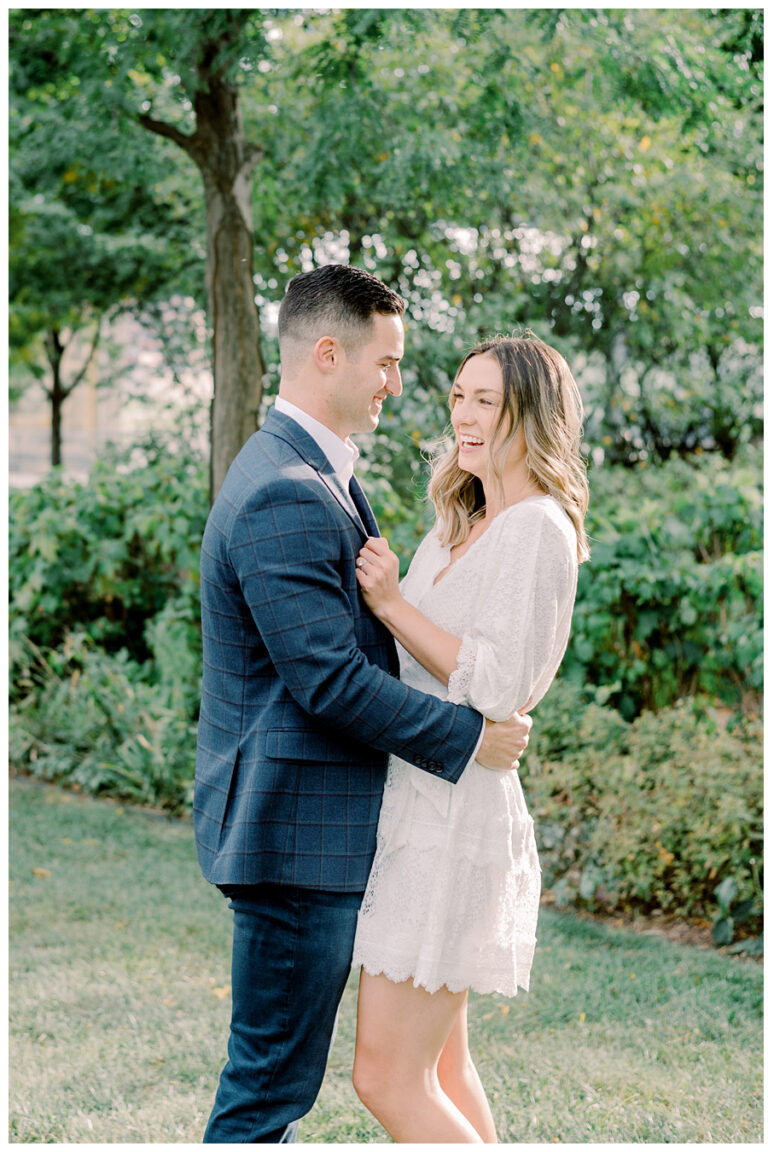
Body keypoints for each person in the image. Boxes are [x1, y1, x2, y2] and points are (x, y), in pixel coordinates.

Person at [194, 264, 533, 1143]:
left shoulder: (319, 474)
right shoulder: (284, 490)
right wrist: (471, 738)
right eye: (385, 363)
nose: (395, 384)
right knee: (267, 1089)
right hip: (294, 839)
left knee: (296, 1079)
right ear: (330, 353)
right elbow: (328, 682)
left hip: (321, 835)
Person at [349, 335, 587, 1141]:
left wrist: (391, 606)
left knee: (385, 1075)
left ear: (531, 414)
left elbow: (495, 686)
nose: (465, 414)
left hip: (453, 821)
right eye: (459, 395)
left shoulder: (536, 529)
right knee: (443, 1069)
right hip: (415, 801)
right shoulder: (459, 525)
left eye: (486, 400)